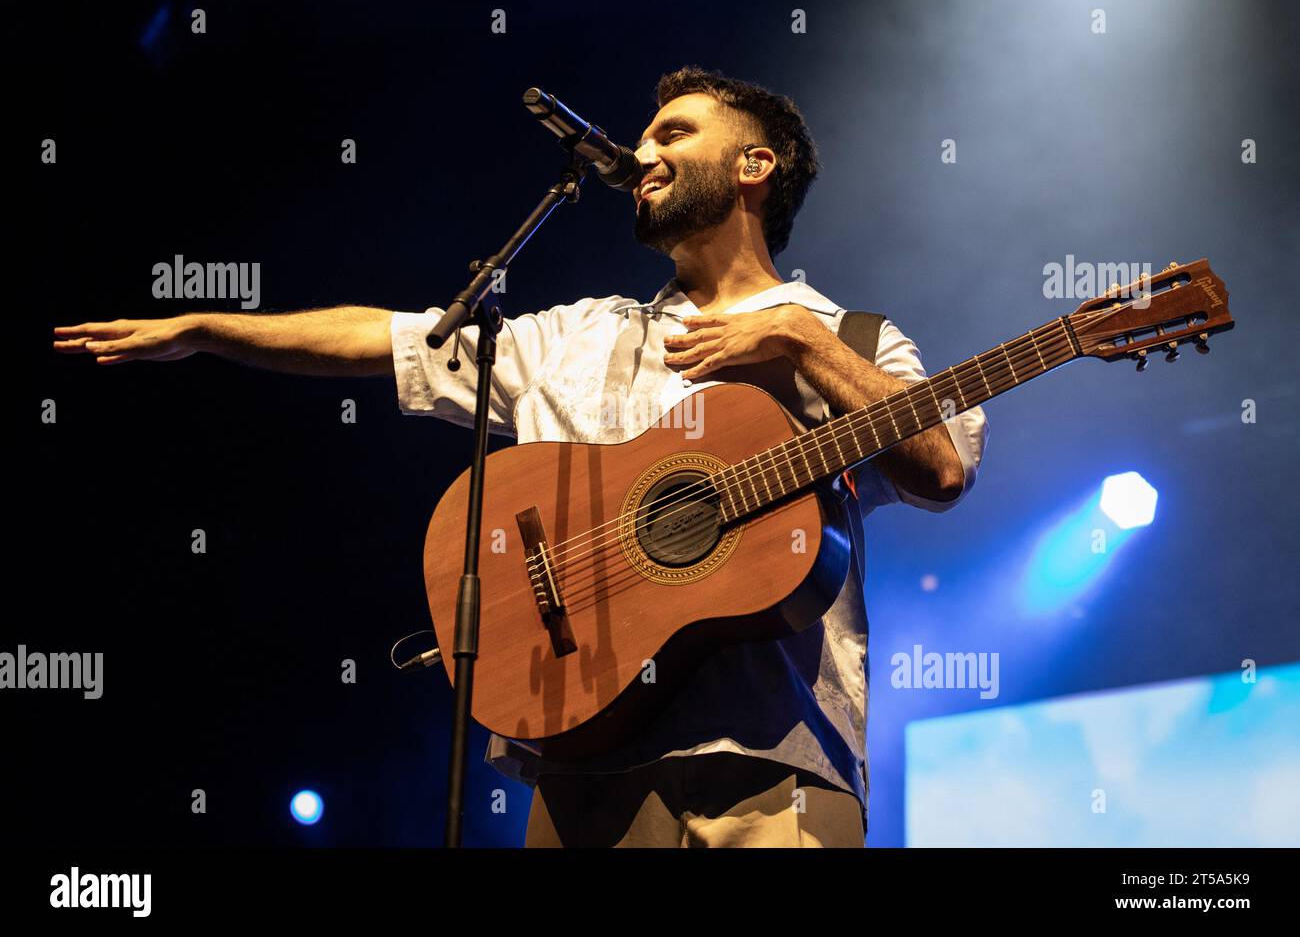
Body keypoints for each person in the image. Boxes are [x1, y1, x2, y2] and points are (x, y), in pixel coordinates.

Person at [54, 66, 988, 848]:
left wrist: (801, 343)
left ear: (754, 165)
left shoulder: (852, 336)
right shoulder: (576, 335)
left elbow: (942, 470)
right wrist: (211, 327)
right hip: (579, 758)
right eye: (643, 137)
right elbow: (390, 339)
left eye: (674, 133)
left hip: (772, 764)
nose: (645, 154)